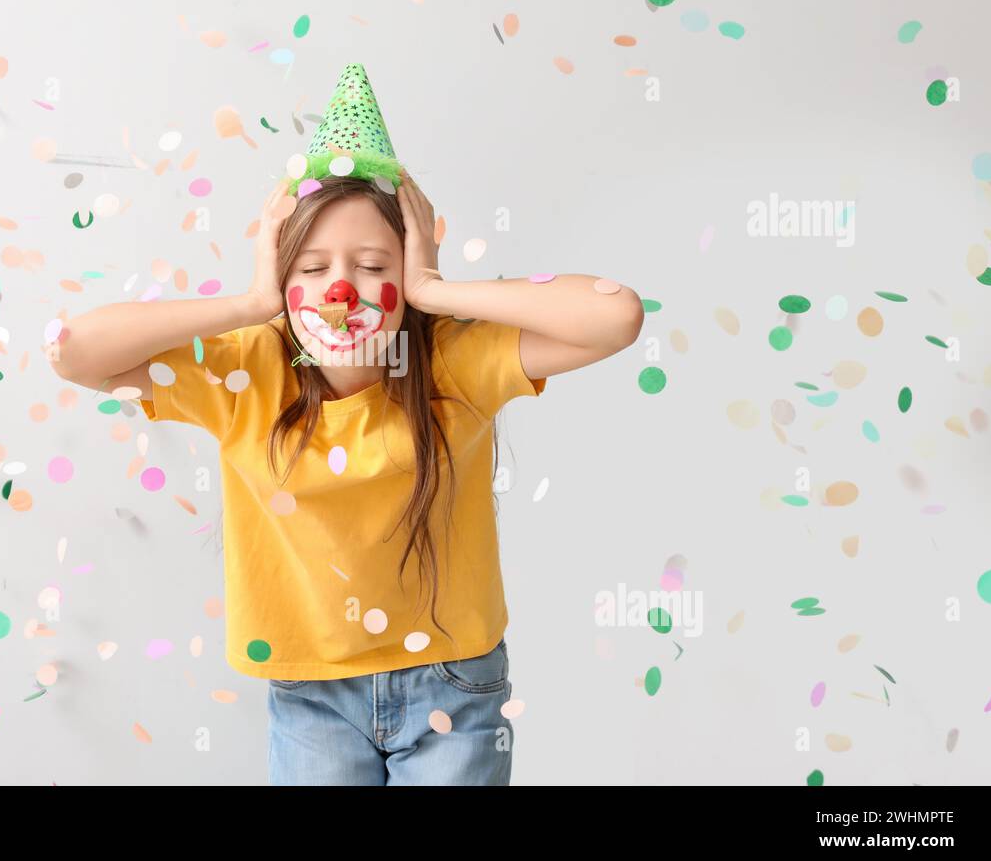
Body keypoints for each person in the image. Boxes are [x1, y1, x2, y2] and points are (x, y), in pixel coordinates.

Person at [49, 66, 643, 784]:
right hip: (312, 692)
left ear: (408, 266)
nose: (339, 293)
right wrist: (248, 304)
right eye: (311, 268)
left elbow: (616, 316)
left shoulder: (454, 362)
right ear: (282, 277)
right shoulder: (244, 373)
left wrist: (435, 291)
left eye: (371, 265)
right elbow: (74, 351)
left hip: (452, 679)